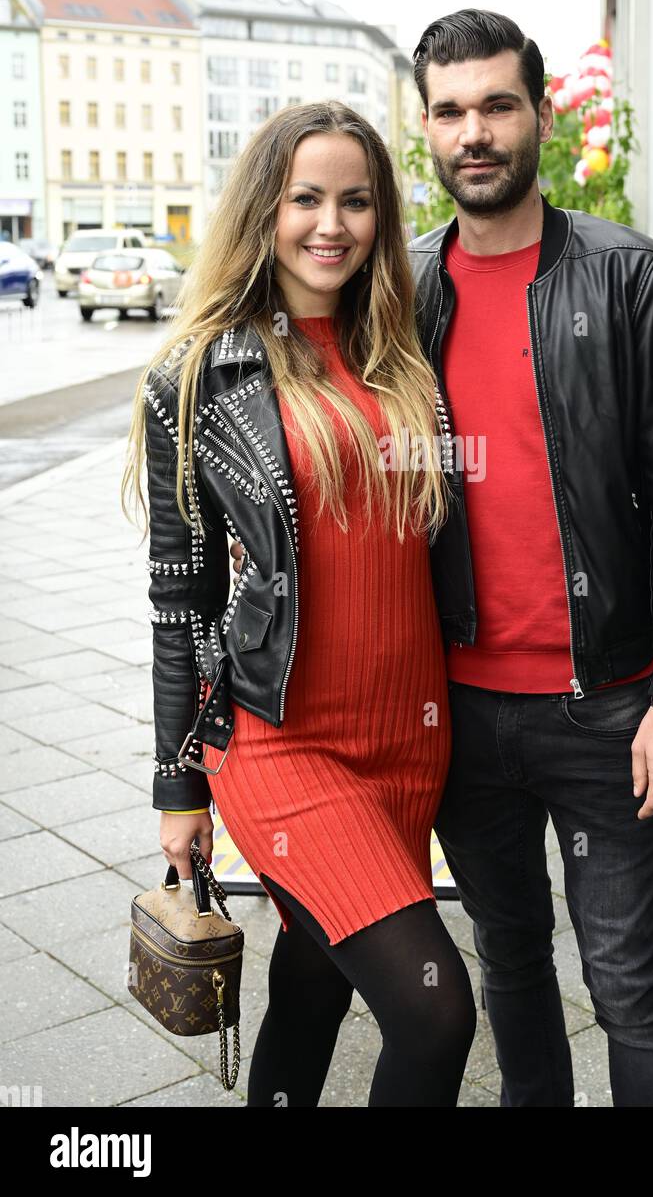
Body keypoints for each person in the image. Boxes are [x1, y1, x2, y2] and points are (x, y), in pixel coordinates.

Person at [226, 10, 653, 1109]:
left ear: (540, 113)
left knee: (630, 984)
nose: (475, 131)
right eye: (450, 111)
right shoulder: (401, 289)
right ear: (427, 131)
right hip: (458, 712)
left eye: (497, 104)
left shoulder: (629, 276)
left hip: (609, 703)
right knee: (508, 964)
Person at [122, 101, 476, 1107]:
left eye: (356, 201)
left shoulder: (402, 351)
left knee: (316, 979)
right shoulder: (199, 375)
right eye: (306, 198)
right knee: (435, 1007)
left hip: (410, 740)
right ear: (263, 211)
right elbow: (178, 599)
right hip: (285, 746)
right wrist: (176, 785)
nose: (333, 223)